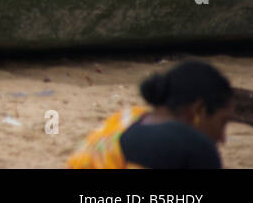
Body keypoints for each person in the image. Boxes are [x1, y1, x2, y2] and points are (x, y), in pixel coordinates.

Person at [68, 60, 234, 169]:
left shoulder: (124, 119)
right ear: (199, 109)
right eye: (223, 122)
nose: (222, 137)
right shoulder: (194, 146)